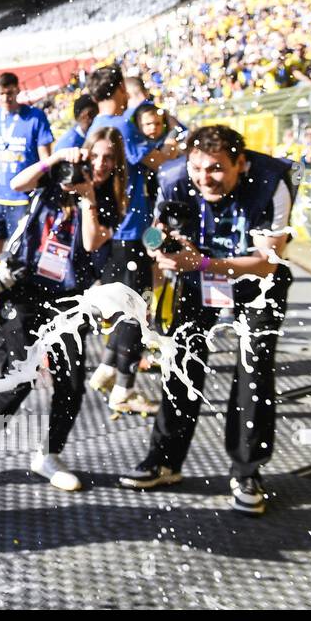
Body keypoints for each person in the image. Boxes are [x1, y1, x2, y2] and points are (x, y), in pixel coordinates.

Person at [121, 124, 296, 517]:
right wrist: (162, 250)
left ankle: (247, 471)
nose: (205, 179)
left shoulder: (271, 182)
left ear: (241, 164)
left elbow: (268, 262)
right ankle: (164, 459)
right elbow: (153, 235)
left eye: (216, 169)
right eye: (197, 168)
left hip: (254, 277)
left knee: (254, 367)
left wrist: (200, 261)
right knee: (181, 359)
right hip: (200, 271)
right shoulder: (172, 178)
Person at [0, 128, 127, 491]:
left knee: (72, 384)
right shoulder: (54, 178)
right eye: (94, 156)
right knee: (18, 378)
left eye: (108, 159)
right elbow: (16, 185)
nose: (99, 164)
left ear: (116, 164)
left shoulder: (108, 199)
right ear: (83, 154)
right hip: (23, 289)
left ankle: (48, 455)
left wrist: (87, 198)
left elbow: (91, 241)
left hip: (68, 300)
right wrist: (55, 159)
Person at [86, 65, 184, 412]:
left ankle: (107, 368)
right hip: (130, 230)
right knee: (136, 311)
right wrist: (174, 139)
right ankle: (123, 389)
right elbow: (156, 159)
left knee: (125, 304)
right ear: (119, 92)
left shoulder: (96, 126)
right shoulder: (123, 125)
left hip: (117, 231)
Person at [0, 73, 54, 331]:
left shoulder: (35, 117)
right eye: (2, 93)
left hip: (23, 200)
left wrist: (45, 187)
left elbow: (46, 156)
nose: (6, 97)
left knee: (22, 260)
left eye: (10, 92)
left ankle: (25, 312)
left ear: (18, 91)